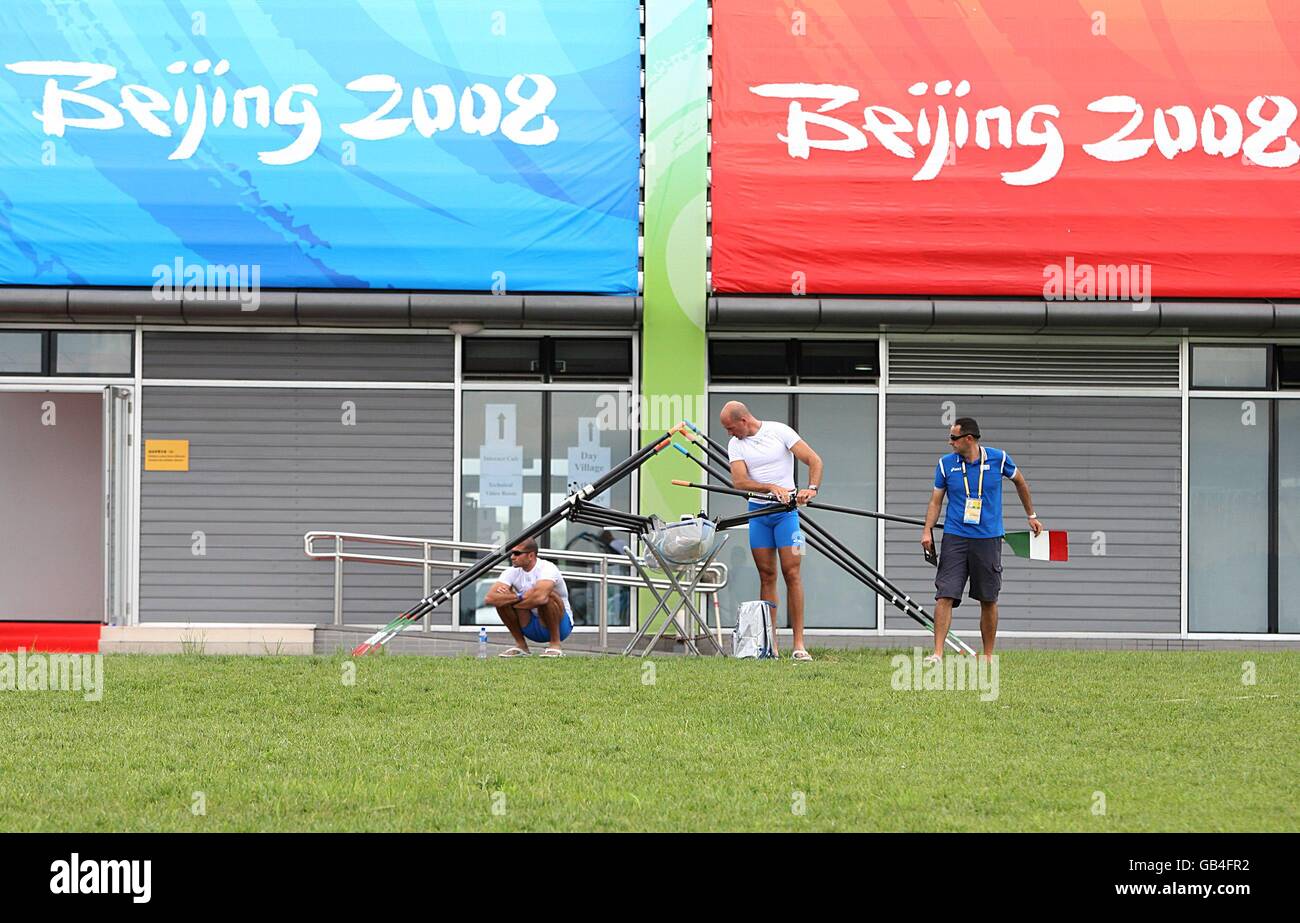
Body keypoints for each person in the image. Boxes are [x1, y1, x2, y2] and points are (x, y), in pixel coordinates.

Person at [920, 417, 1043, 662]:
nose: (950, 442)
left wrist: (1031, 515)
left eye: (954, 438)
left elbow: (1020, 482)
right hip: (955, 537)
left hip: (988, 539)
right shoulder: (946, 464)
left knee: (988, 598)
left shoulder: (999, 458)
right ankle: (937, 653)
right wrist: (927, 531)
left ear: (969, 439)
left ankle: (988, 655)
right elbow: (936, 501)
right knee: (944, 594)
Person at [720, 401, 824, 661]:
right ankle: (771, 644)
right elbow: (739, 481)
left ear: (743, 420)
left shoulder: (780, 431)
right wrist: (770, 487)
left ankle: (799, 644)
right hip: (759, 515)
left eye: (731, 428)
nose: (729, 433)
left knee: (793, 573)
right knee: (767, 576)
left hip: (787, 515)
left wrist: (811, 489)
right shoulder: (736, 445)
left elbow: (814, 460)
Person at [483, 538, 573, 658]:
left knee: (548, 596)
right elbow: (490, 598)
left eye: (517, 553)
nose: (512, 557)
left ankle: (555, 645)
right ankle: (521, 646)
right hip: (529, 626)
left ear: (531, 555)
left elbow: (540, 598)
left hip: (560, 626)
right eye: (511, 553)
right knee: (501, 602)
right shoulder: (511, 572)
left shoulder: (547, 568)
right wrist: (519, 596)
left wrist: (511, 598)